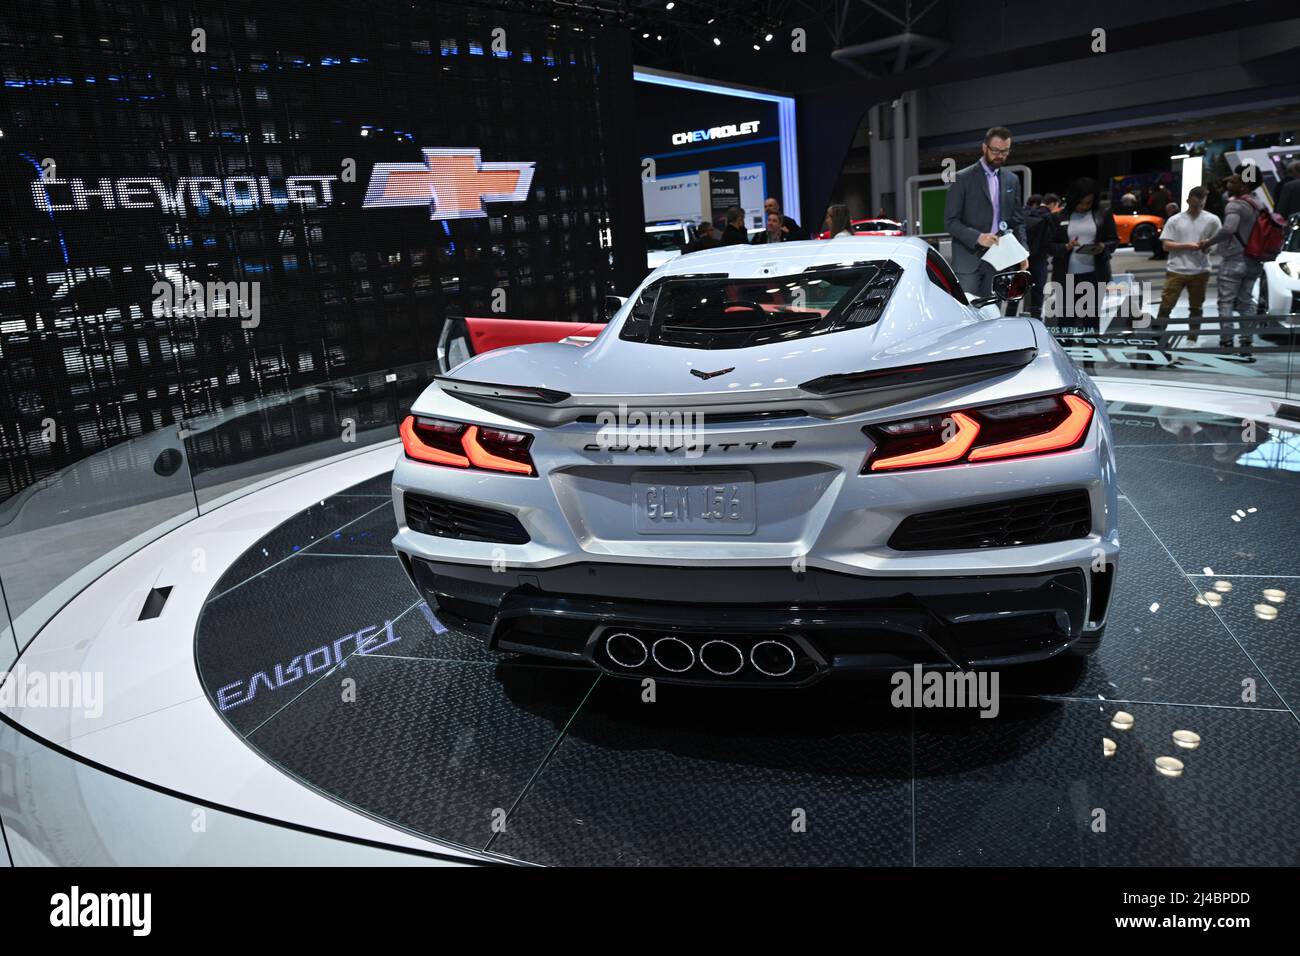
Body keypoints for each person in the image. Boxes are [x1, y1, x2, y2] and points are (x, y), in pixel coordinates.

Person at [943, 126, 1028, 298]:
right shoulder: (962, 178)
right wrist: (978, 237)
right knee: (968, 313)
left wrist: (1022, 252)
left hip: (1000, 259)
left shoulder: (1012, 180)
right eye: (996, 150)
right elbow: (950, 221)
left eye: (1005, 152)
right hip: (968, 259)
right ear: (984, 148)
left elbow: (1017, 221)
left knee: (993, 313)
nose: (1000, 156)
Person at [1201, 173, 1261, 359]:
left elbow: (1229, 229)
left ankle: (1226, 344)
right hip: (1253, 259)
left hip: (1234, 260)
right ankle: (1246, 345)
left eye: (1233, 182)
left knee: (1226, 302)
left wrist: (1208, 242)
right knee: (1246, 303)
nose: (1227, 183)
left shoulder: (1235, 205)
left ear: (1243, 186)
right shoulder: (1257, 204)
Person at [1047, 177, 1118, 334]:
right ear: (1073, 199)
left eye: (1088, 202)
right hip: (1065, 277)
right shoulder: (1058, 217)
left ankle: (1090, 358)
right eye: (1080, 202)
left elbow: (1113, 241)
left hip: (1094, 275)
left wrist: (1103, 247)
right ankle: (1064, 356)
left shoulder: (1103, 214)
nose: (1084, 206)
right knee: (1065, 321)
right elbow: (1049, 246)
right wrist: (1066, 246)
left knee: (1091, 321)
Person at [1155, 186, 1220, 344]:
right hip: (1176, 269)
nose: (1197, 208)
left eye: (1201, 205)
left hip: (1200, 270)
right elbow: (1166, 245)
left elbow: (1217, 243)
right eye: (1194, 205)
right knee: (1166, 305)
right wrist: (1188, 246)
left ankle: (1192, 339)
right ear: (1188, 201)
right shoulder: (1175, 220)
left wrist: (1208, 247)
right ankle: (1156, 337)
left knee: (1196, 307)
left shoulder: (1212, 220)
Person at [1023, 192, 1061, 315]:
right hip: (1039, 259)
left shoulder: (1024, 213)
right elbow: (1052, 240)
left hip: (1022, 259)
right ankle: (1036, 319)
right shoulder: (1048, 216)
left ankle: (1009, 318)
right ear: (1053, 204)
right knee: (1037, 293)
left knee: (1015, 293)